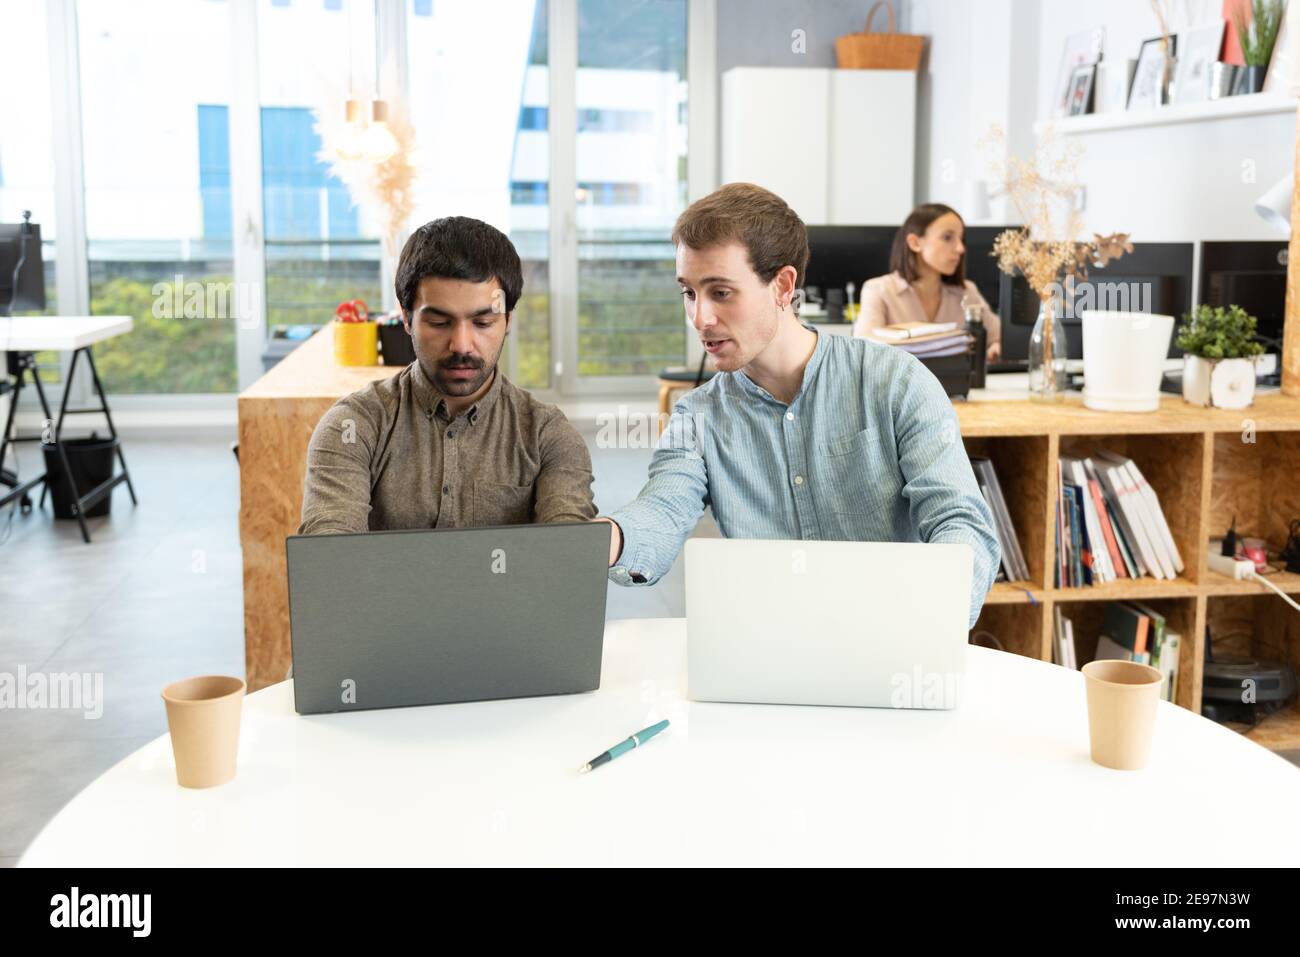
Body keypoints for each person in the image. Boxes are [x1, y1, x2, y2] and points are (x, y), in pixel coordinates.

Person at [595, 184, 999, 628]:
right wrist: (607, 538)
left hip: (891, 643)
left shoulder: (895, 382)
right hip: (768, 654)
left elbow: (961, 522)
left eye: (721, 293)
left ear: (783, 286)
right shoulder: (698, 417)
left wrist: (927, 616)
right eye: (689, 293)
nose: (700, 318)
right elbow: (662, 511)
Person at [299, 216, 596, 534]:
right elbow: (329, 558)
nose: (461, 345)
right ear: (407, 319)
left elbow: (570, 560)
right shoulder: (354, 426)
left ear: (508, 320)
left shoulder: (547, 435)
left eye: (483, 323)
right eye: (439, 323)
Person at [853, 203, 1002, 362]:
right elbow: (864, 351)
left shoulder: (967, 291)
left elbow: (1000, 338)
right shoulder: (879, 290)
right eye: (947, 237)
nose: (960, 248)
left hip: (957, 384)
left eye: (961, 239)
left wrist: (996, 347)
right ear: (915, 243)